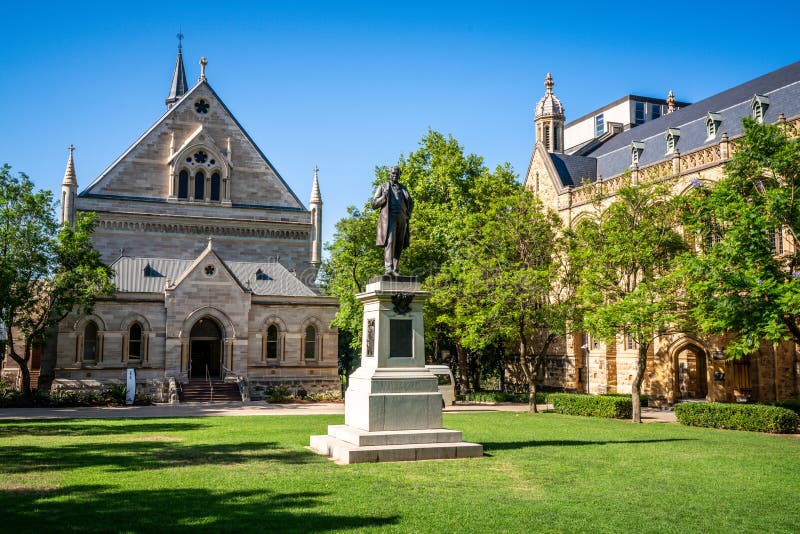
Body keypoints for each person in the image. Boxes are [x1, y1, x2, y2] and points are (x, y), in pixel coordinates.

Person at [372, 166, 413, 276]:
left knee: (399, 244)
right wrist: (383, 197)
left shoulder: (403, 188)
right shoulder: (382, 187)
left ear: (400, 175)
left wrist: (408, 214)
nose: (395, 175)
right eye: (393, 173)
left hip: (402, 218)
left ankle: (395, 268)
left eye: (397, 174)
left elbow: (410, 202)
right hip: (389, 218)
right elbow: (374, 204)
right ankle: (388, 268)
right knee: (390, 242)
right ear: (389, 174)